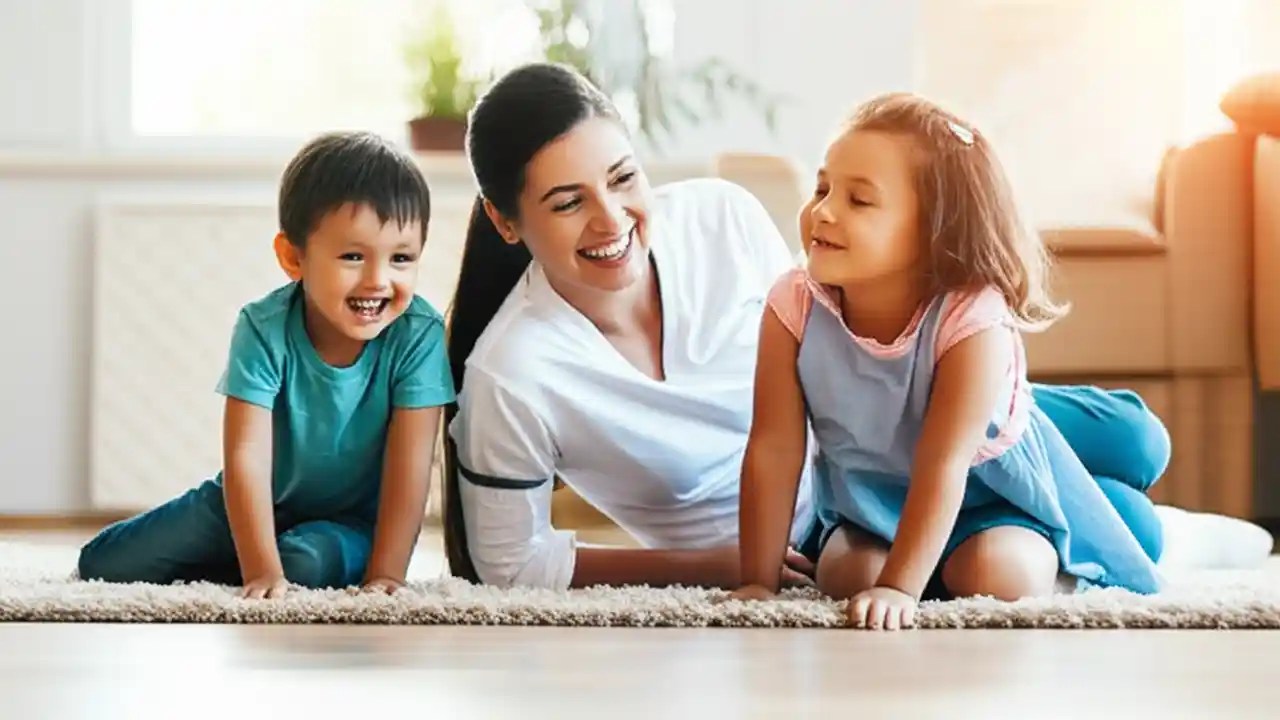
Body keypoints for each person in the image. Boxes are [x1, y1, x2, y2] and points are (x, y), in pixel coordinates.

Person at [442, 63, 1265, 593]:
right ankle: (1163, 533)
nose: (611, 217)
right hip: (851, 491)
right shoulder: (512, 375)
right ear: (505, 221)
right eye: (565, 202)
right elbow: (515, 565)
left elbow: (842, 350)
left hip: (912, 419)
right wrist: (729, 569)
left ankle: (1118, 497)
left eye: (622, 177)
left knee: (1136, 443)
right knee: (1089, 535)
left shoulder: (720, 218)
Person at [728, 93, 1196, 629]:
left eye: (859, 200)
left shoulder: (972, 315)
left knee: (1002, 576)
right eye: (822, 188)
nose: (825, 210)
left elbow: (943, 462)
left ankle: (1102, 532)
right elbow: (773, 446)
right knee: (849, 577)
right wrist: (758, 582)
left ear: (935, 233)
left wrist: (902, 590)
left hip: (985, 487)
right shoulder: (794, 301)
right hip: (872, 494)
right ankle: (946, 546)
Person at [77, 131, 455, 599]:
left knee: (302, 564)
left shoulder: (418, 333)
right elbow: (246, 458)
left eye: (401, 258)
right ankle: (246, 556)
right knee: (104, 562)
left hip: (349, 522)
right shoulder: (263, 326)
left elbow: (411, 467)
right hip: (246, 504)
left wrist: (386, 575)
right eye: (353, 256)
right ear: (293, 257)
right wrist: (259, 568)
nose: (378, 280)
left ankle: (254, 560)